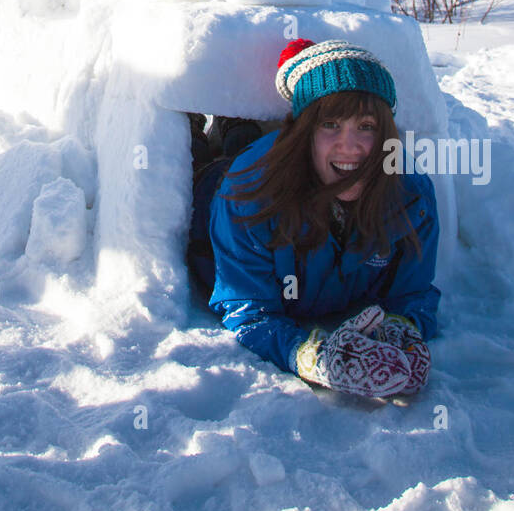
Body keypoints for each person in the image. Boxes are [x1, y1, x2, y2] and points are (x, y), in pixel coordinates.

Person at [187, 38, 440, 399]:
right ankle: (207, 124)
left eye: (366, 126)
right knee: (199, 158)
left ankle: (235, 128)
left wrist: (403, 327)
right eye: (330, 124)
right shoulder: (247, 194)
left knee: (241, 140)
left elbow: (413, 292)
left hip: (274, 163)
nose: (349, 145)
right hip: (213, 192)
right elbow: (248, 309)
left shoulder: (411, 196)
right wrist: (307, 355)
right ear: (303, 134)